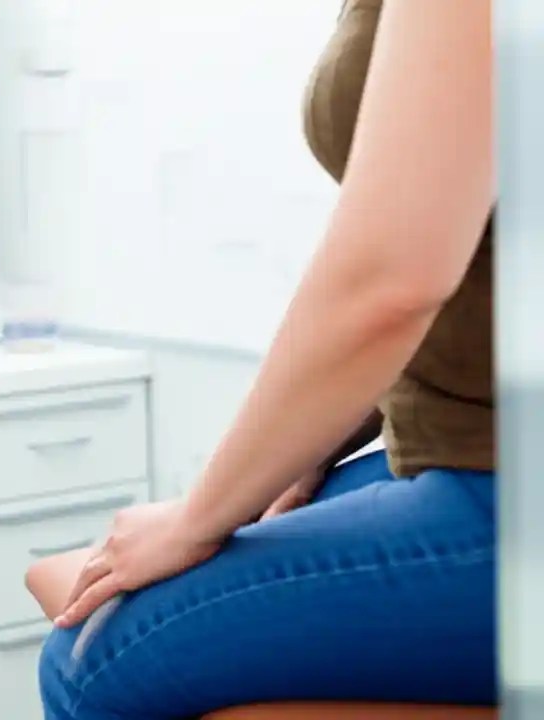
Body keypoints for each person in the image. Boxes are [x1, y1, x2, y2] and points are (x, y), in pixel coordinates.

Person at [33, 0, 496, 717]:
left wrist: (197, 518)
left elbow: (393, 282)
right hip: (472, 452)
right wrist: (314, 433)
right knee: (107, 590)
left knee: (94, 659)